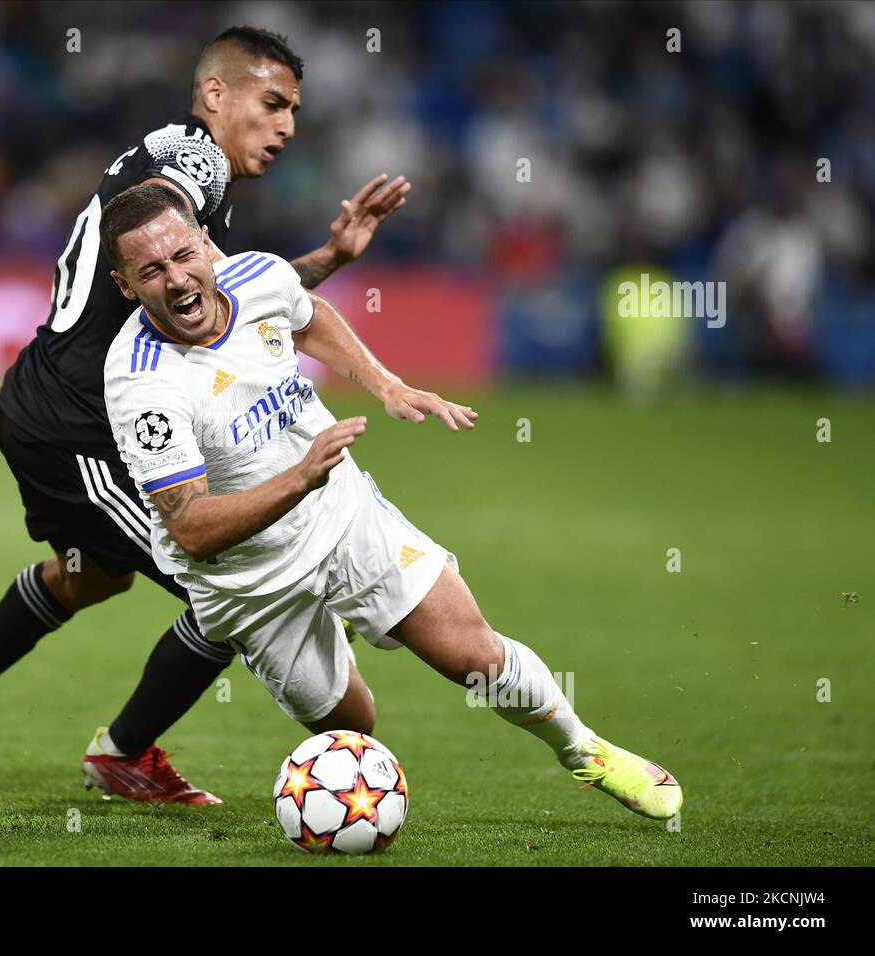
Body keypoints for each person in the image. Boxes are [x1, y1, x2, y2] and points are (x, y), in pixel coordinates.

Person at [0, 26, 411, 801]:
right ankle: (123, 753)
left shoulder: (175, 164)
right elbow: (207, 307)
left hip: (67, 406)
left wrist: (326, 260)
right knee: (225, 576)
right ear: (216, 95)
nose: (287, 126)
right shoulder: (188, 172)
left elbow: (223, 303)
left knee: (91, 575)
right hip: (78, 425)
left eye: (294, 109)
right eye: (272, 104)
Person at [98, 183, 683, 820]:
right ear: (126, 285)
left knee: (473, 656)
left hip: (343, 515)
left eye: (185, 255)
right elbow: (190, 529)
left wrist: (385, 384)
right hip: (246, 580)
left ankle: (585, 751)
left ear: (208, 243)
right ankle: (335, 640)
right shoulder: (141, 383)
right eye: (152, 270)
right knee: (354, 724)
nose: (178, 279)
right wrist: (299, 476)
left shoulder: (258, 277)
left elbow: (308, 315)